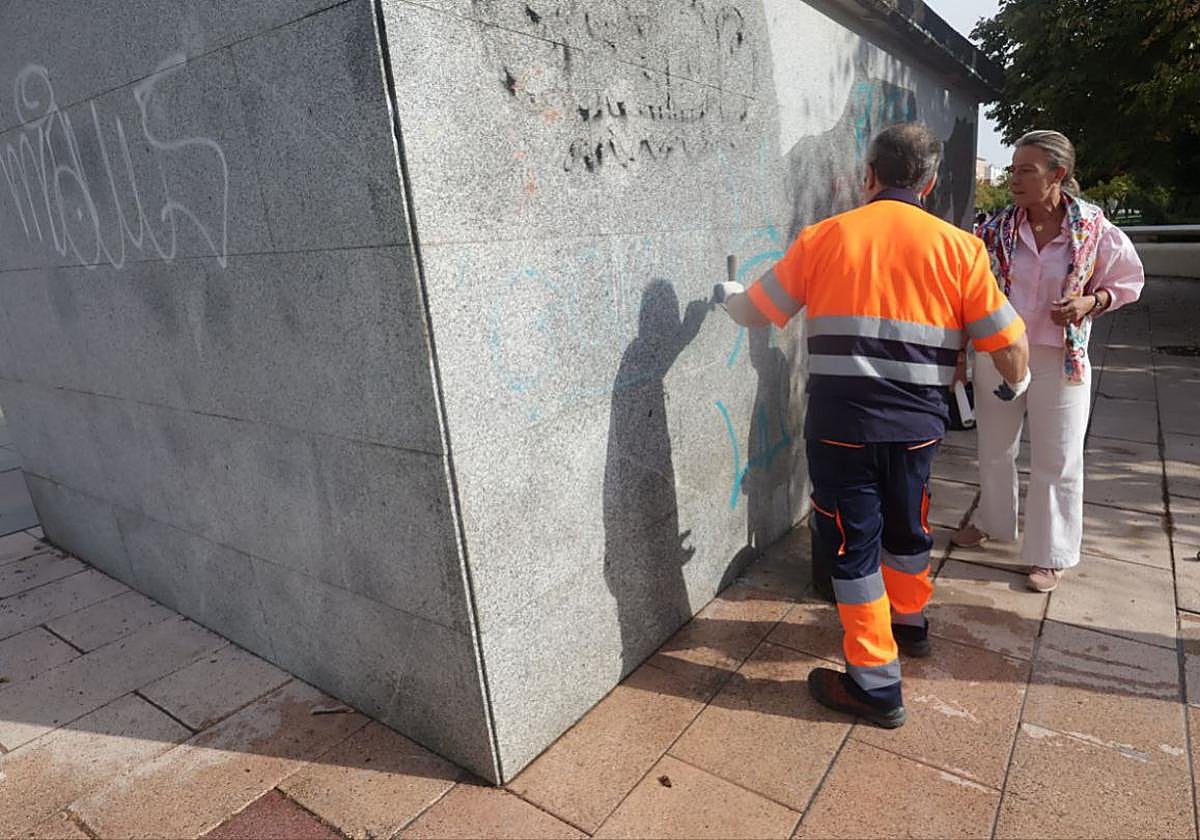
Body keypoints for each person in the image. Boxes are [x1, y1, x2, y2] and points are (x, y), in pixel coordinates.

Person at [715, 123, 1030, 728]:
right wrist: (1015, 384)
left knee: (851, 548)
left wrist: (729, 294)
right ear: (931, 183)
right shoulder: (960, 248)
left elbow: (760, 310)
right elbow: (1008, 342)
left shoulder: (825, 237)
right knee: (908, 525)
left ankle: (876, 685)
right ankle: (909, 625)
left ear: (869, 176)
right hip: (918, 428)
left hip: (842, 427)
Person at [952, 130, 1145, 593]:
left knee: (1057, 458)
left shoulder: (1094, 229)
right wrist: (960, 351)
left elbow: (1128, 280)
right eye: (1013, 169)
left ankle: (1049, 553)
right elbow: (969, 295)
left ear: (1057, 175)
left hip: (1062, 359)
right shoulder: (994, 229)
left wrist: (1090, 302)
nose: (1014, 179)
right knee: (995, 448)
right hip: (998, 353)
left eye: (1026, 171)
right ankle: (993, 522)